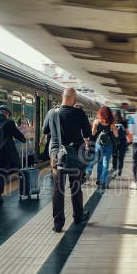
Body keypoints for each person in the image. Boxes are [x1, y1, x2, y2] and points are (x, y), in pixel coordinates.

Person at [46, 88, 91, 232]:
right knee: (76, 186)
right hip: (75, 155)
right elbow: (87, 133)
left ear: (62, 96)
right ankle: (78, 216)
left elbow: (45, 130)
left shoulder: (52, 113)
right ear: (75, 99)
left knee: (58, 189)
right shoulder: (79, 113)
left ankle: (58, 224)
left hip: (56, 155)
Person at [91, 106, 118, 189]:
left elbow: (93, 133)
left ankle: (99, 180)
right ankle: (103, 182)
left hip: (99, 144)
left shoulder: (96, 122)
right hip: (108, 145)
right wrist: (113, 129)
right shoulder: (111, 123)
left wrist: (95, 127)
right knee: (105, 163)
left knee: (99, 163)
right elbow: (116, 135)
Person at [112, 110, 131, 177]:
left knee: (115, 157)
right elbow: (127, 132)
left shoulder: (112, 121)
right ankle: (119, 171)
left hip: (115, 142)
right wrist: (130, 141)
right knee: (120, 158)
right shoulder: (124, 122)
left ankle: (115, 171)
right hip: (122, 142)